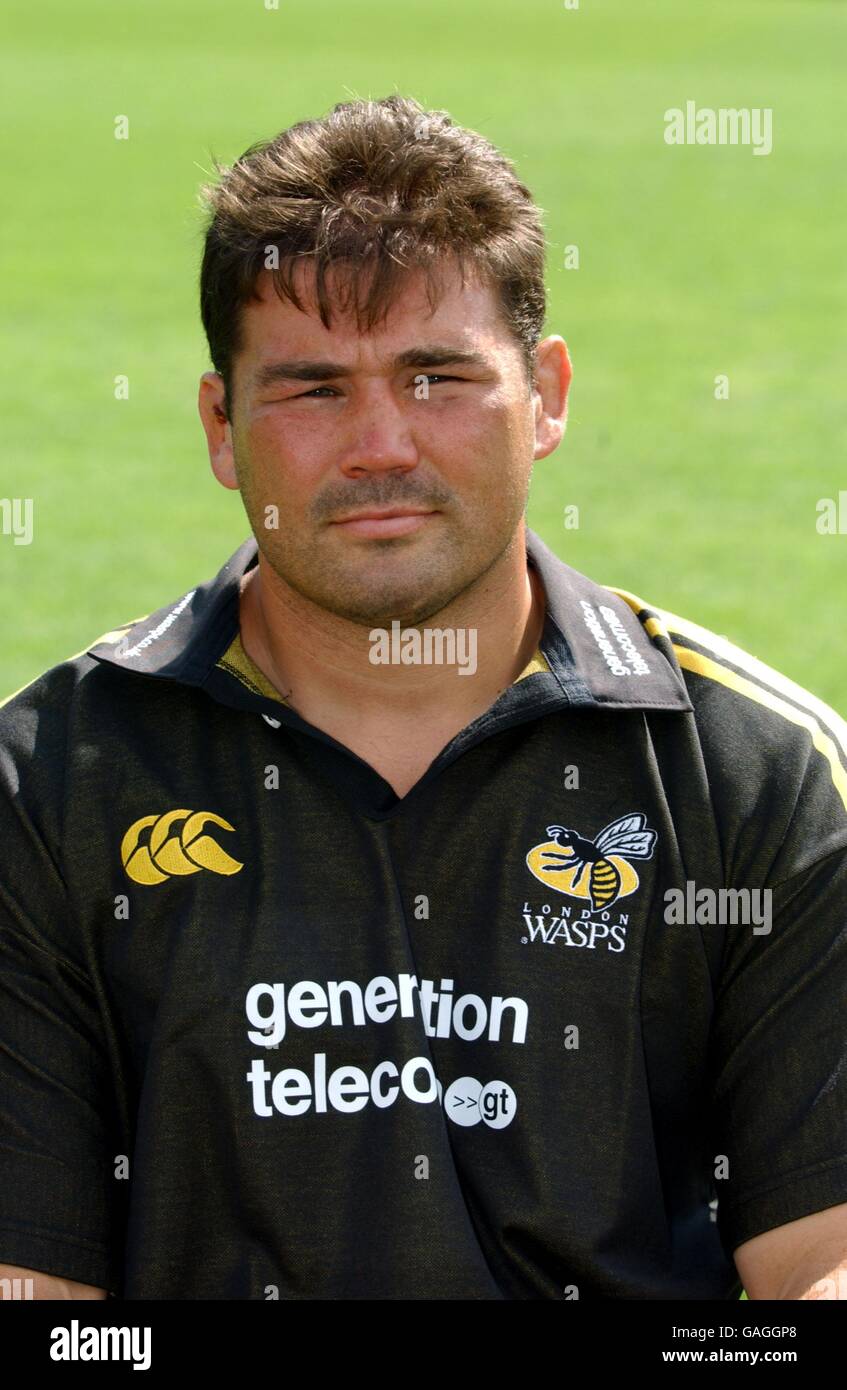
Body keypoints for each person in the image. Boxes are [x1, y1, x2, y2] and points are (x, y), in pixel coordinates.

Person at [1, 94, 845, 1302]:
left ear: (545, 396)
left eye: (436, 374)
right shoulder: (46, 785)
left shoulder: (757, 773)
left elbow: (824, 1257)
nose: (381, 444)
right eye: (311, 389)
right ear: (222, 428)